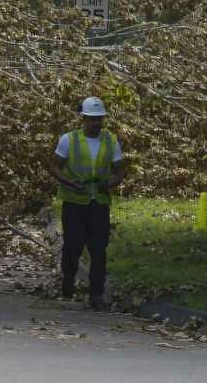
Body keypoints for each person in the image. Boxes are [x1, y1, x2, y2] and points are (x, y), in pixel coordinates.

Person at [46, 96, 128, 311]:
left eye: (99, 119)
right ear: (82, 118)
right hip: (74, 202)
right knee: (73, 246)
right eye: (92, 119)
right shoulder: (69, 140)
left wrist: (110, 184)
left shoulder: (111, 141)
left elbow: (120, 170)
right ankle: (68, 282)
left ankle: (96, 294)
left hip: (99, 202)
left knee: (98, 249)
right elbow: (54, 165)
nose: (96, 123)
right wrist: (67, 182)